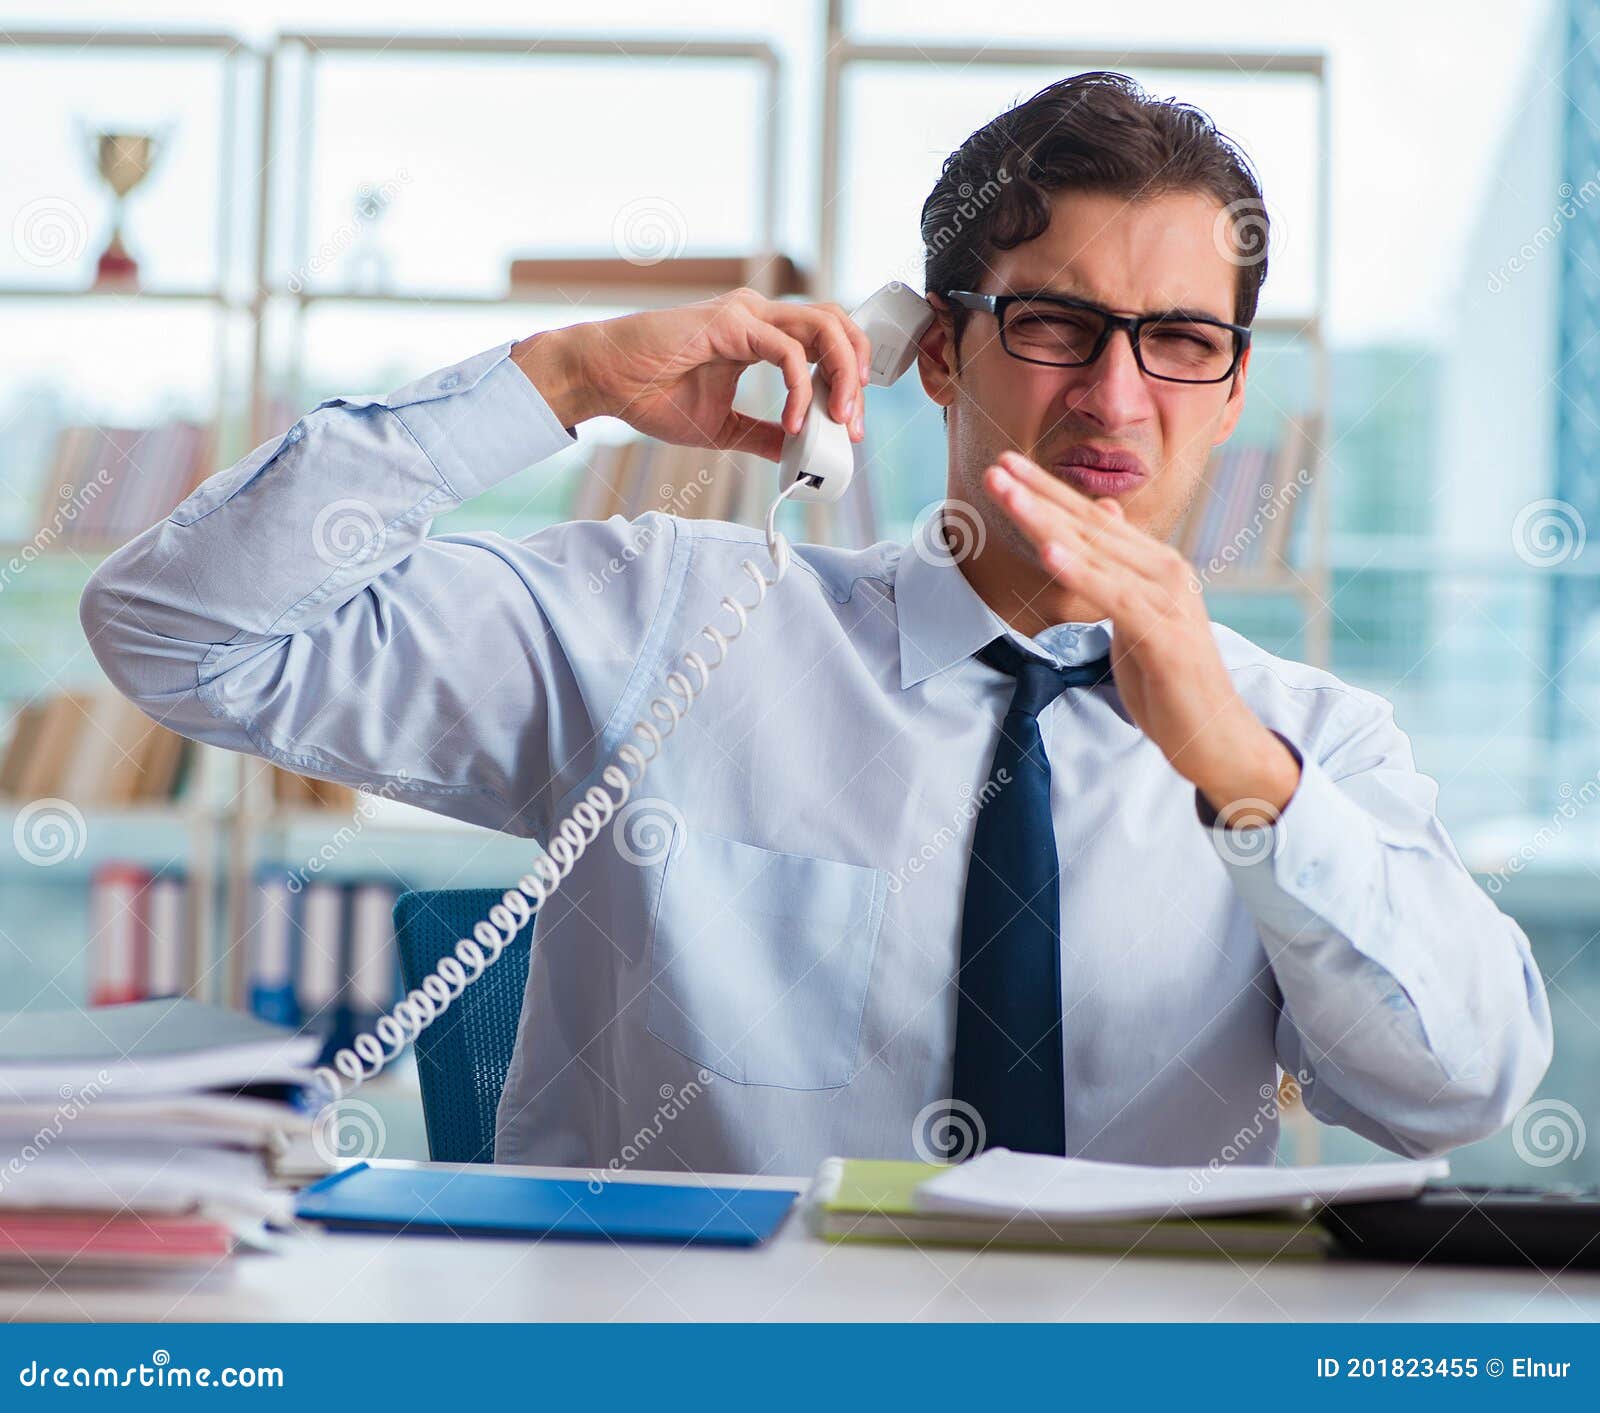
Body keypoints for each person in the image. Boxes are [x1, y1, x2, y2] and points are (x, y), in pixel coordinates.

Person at [80, 71, 1550, 1175]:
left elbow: (1463, 1087)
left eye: (1179, 342)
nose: (1115, 397)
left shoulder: (1310, 747)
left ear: (1233, 392)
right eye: (1054, 323)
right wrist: (564, 377)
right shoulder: (668, 621)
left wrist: (1243, 770)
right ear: (934, 350)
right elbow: (183, 630)